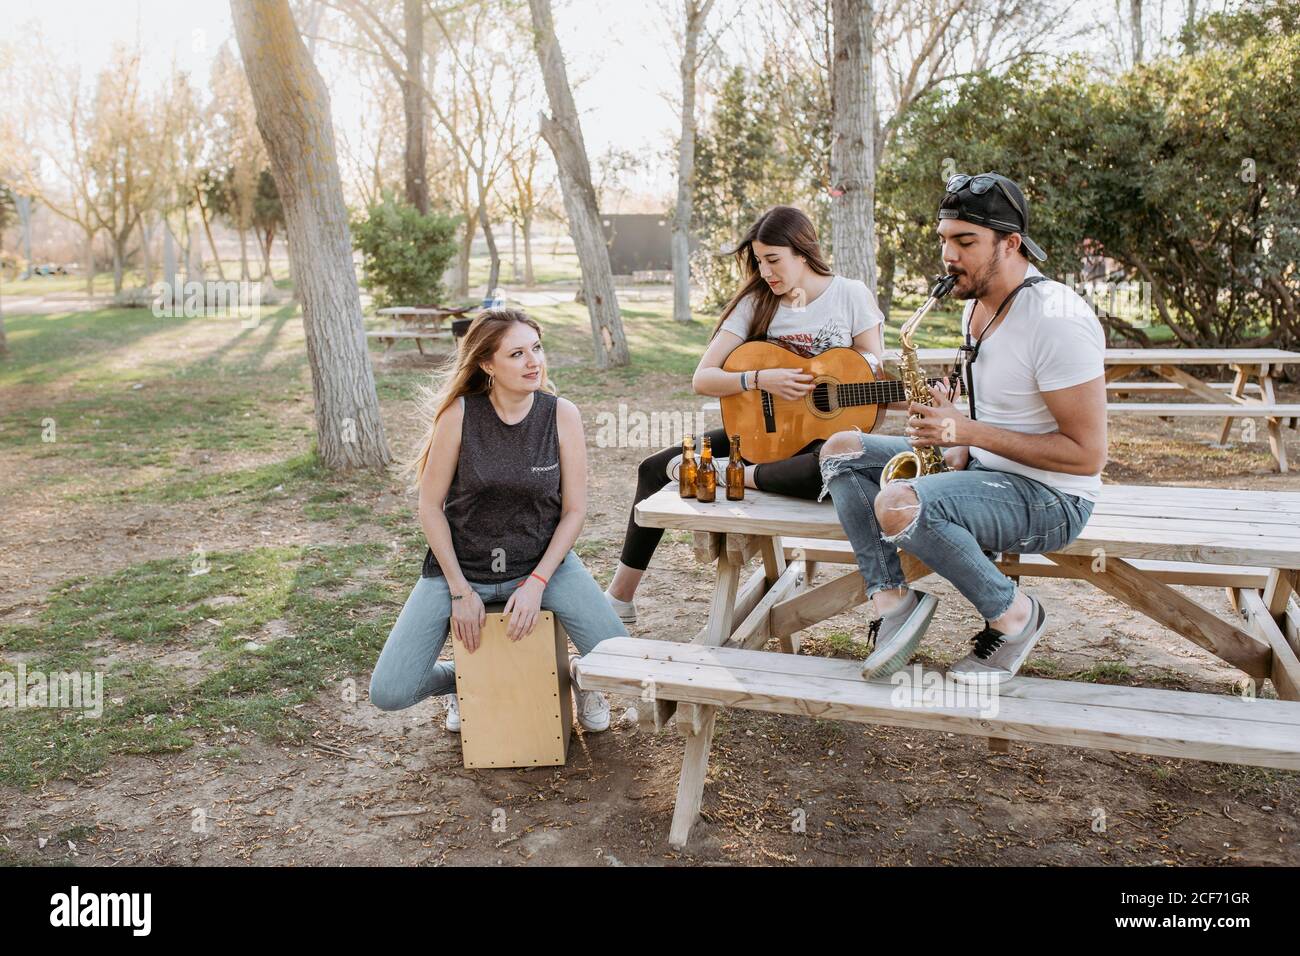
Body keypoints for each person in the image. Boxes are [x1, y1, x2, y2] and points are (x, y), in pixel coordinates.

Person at [819, 172, 1107, 683]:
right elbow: (999, 409)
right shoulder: (974, 308)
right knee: (839, 450)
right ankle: (892, 601)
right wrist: (951, 439)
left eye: (965, 241)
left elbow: (1087, 456)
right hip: (985, 469)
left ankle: (1014, 616)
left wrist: (967, 433)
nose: (948, 256)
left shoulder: (1056, 319)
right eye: (944, 240)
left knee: (897, 502)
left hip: (1054, 498)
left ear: (1011, 243)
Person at [604, 205, 887, 623]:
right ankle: (618, 599)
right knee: (654, 468)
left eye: (773, 260)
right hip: (761, 438)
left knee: (830, 466)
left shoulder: (851, 295)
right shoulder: (758, 302)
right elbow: (704, 377)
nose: (765, 270)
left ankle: (723, 471)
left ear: (803, 252)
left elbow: (872, 378)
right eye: (759, 260)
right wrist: (758, 379)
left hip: (818, 448)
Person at [369, 308, 628, 732]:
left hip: (543, 564)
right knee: (390, 691)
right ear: (487, 364)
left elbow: (574, 511)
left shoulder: (561, 415)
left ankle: (580, 678)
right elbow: (430, 508)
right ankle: (461, 680)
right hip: (463, 569)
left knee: (625, 664)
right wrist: (458, 591)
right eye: (517, 354)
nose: (534, 362)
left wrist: (537, 583)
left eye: (537, 348)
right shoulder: (460, 416)